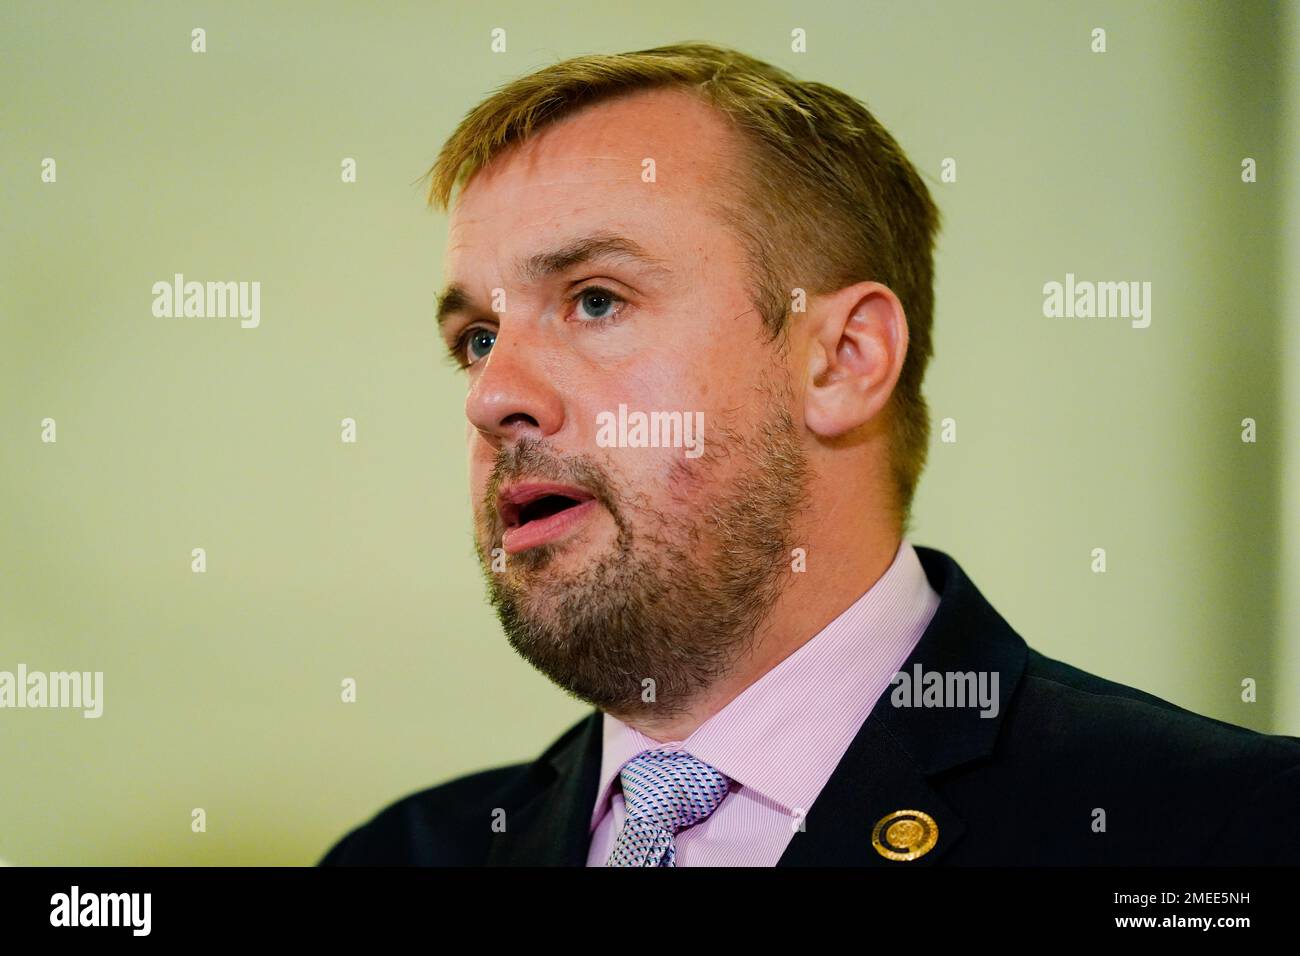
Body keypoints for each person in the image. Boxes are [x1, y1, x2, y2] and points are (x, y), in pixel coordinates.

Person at [319, 42, 1300, 866]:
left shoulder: (1220, 833)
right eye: (477, 339)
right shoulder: (402, 854)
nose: (493, 395)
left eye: (596, 300)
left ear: (840, 360)